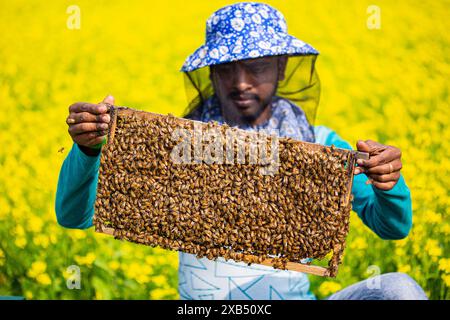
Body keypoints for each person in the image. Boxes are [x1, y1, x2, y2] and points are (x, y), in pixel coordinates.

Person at [56, 2, 427, 300]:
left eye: (257, 67)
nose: (241, 82)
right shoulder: (182, 145)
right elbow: (75, 217)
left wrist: (386, 182)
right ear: (211, 73)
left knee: (398, 289)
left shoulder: (322, 145)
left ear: (281, 66)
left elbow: (392, 228)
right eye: (227, 68)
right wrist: (88, 151)